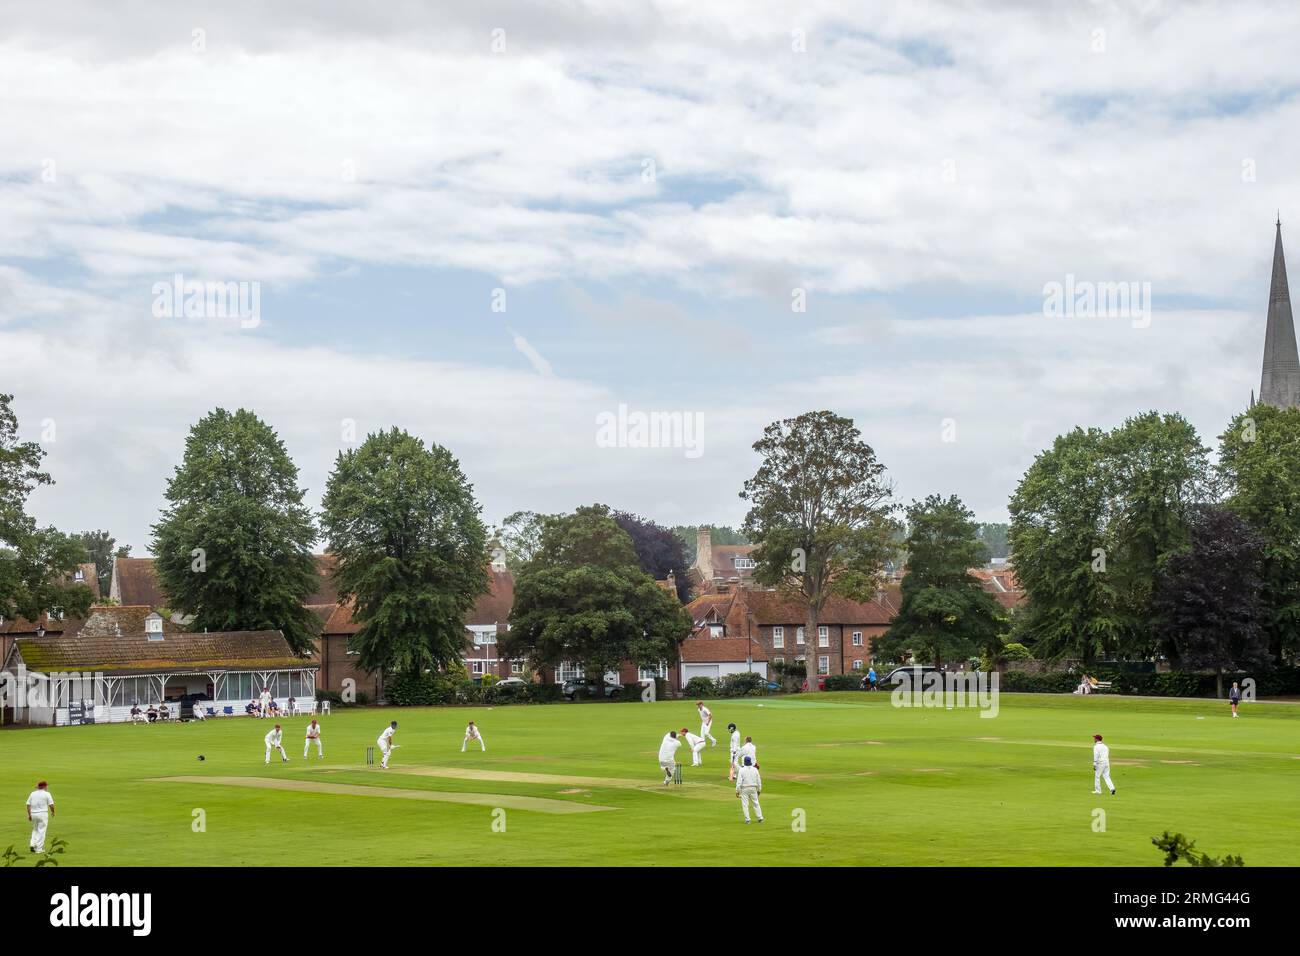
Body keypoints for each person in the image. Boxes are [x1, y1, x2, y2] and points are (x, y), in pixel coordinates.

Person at [26, 781, 54, 854]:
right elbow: (51, 805)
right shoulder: (47, 794)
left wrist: (29, 815)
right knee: (42, 831)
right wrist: (53, 812)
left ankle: (32, 844)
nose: (47, 787)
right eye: (46, 786)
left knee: (35, 829)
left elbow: (28, 805)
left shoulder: (32, 793)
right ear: (44, 786)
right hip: (43, 814)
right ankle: (39, 848)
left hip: (33, 814)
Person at [735, 756, 763, 824]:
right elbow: (758, 780)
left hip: (744, 789)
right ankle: (760, 818)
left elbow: (739, 782)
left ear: (744, 762)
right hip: (753, 788)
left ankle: (748, 819)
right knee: (756, 803)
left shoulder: (741, 770)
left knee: (745, 804)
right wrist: (759, 789)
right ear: (750, 762)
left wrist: (737, 791)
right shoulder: (755, 769)